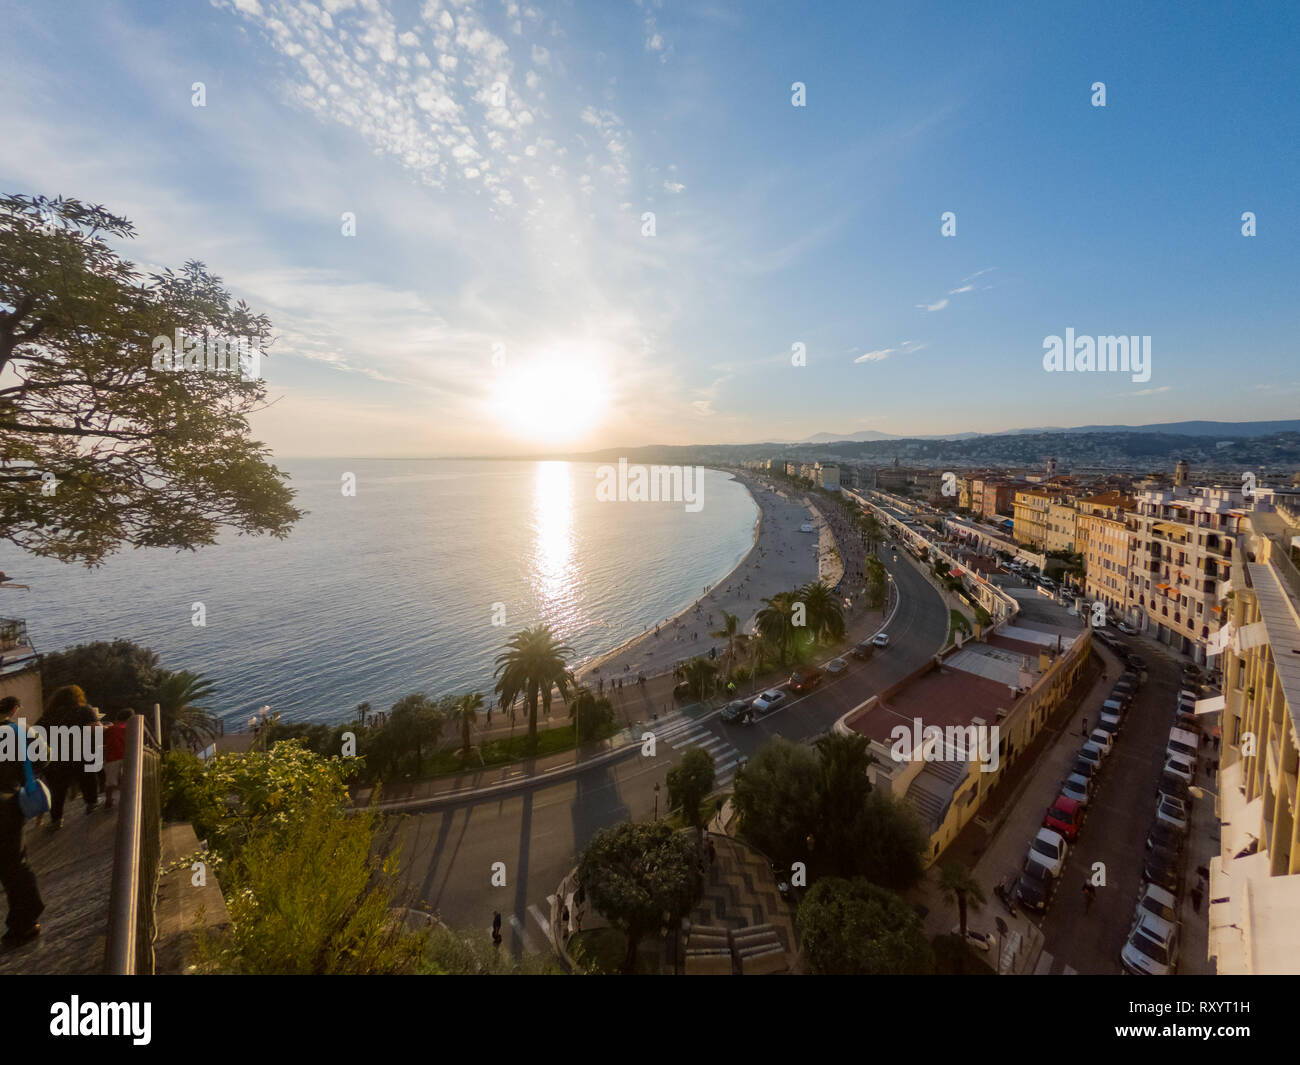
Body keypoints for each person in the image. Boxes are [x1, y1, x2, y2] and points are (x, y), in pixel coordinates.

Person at [0, 696, 44, 946]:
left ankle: (23, 921)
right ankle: (25, 921)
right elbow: (44, 758)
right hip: (8, 808)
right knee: (15, 864)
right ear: (14, 710)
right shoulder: (19, 732)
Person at [41, 686, 100, 829]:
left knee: (58, 790)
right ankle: (91, 804)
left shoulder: (48, 715)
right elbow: (94, 728)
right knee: (87, 778)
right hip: (81, 753)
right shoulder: (84, 710)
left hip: (57, 758)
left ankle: (56, 820)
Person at [101, 709, 131, 811]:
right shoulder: (131, 729)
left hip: (112, 758)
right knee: (127, 780)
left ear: (118, 719)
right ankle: (127, 801)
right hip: (127, 757)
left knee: (110, 782)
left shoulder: (111, 729)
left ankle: (108, 801)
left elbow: (104, 740)